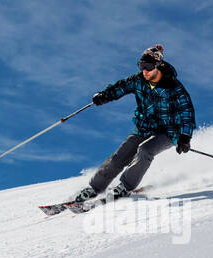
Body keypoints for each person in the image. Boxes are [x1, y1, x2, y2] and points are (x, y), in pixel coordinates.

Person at [69, 44, 196, 203]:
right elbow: (121, 87)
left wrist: (185, 136)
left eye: (148, 66)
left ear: (158, 66)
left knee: (144, 151)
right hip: (145, 126)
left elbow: (186, 112)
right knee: (119, 157)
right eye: (141, 66)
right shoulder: (138, 80)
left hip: (169, 131)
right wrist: (104, 95)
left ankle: (125, 187)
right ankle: (94, 188)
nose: (145, 71)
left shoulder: (173, 87)